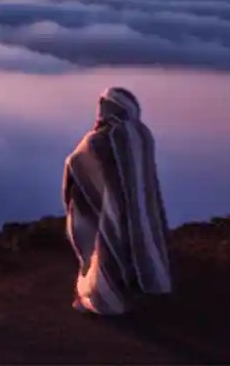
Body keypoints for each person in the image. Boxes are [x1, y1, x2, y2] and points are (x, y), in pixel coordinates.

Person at [62, 87, 172, 315]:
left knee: (105, 245)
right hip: (142, 210)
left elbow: (76, 168)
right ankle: (145, 281)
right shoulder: (143, 136)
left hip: (109, 214)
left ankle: (106, 292)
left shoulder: (96, 141)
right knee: (139, 238)